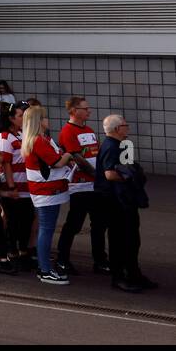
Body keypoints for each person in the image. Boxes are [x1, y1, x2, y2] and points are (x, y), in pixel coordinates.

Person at [22, 103, 85, 285]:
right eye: (45, 117)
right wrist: (69, 155)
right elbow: (57, 162)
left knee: (46, 229)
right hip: (46, 191)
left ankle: (45, 267)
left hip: (48, 190)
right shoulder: (38, 141)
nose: (48, 120)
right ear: (39, 121)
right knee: (46, 229)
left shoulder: (39, 139)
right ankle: (44, 269)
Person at [96, 114, 155, 293]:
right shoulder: (111, 147)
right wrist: (131, 176)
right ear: (116, 129)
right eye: (125, 125)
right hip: (115, 202)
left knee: (131, 239)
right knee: (120, 239)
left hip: (125, 200)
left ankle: (133, 273)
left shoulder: (120, 145)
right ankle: (119, 277)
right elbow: (109, 174)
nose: (127, 127)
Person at [55, 96, 107, 275]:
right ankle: (62, 260)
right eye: (85, 108)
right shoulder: (68, 132)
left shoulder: (89, 129)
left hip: (95, 186)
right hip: (80, 187)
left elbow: (95, 153)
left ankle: (100, 261)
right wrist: (96, 174)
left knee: (99, 224)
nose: (89, 111)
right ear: (74, 111)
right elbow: (77, 158)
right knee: (74, 225)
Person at [0, 101, 35, 270]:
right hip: (13, 187)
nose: (24, 118)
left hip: (27, 187)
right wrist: (11, 187)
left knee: (26, 222)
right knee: (13, 223)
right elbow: (5, 164)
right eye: (20, 116)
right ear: (11, 118)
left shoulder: (22, 134)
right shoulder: (5, 137)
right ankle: (11, 254)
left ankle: (23, 252)